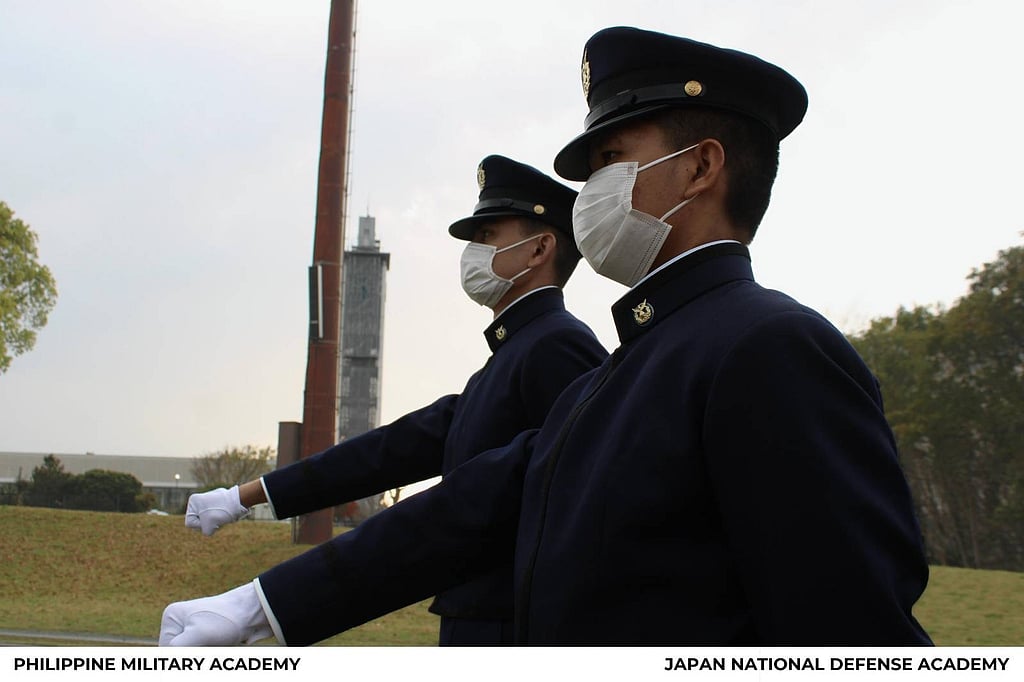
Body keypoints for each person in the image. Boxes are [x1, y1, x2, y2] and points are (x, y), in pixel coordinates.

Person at [161, 27, 932, 646]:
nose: (590, 193)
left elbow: (849, 629)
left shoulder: (768, 348)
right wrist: (267, 602)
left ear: (700, 168)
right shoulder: (624, 370)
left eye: (611, 161)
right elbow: (472, 502)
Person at [172, 155, 607, 646]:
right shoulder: (512, 356)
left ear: (539, 249)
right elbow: (389, 451)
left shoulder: (556, 346)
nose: (472, 252)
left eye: (487, 236)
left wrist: (261, 605)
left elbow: (568, 500)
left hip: (516, 625)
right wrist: (245, 496)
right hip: (482, 614)